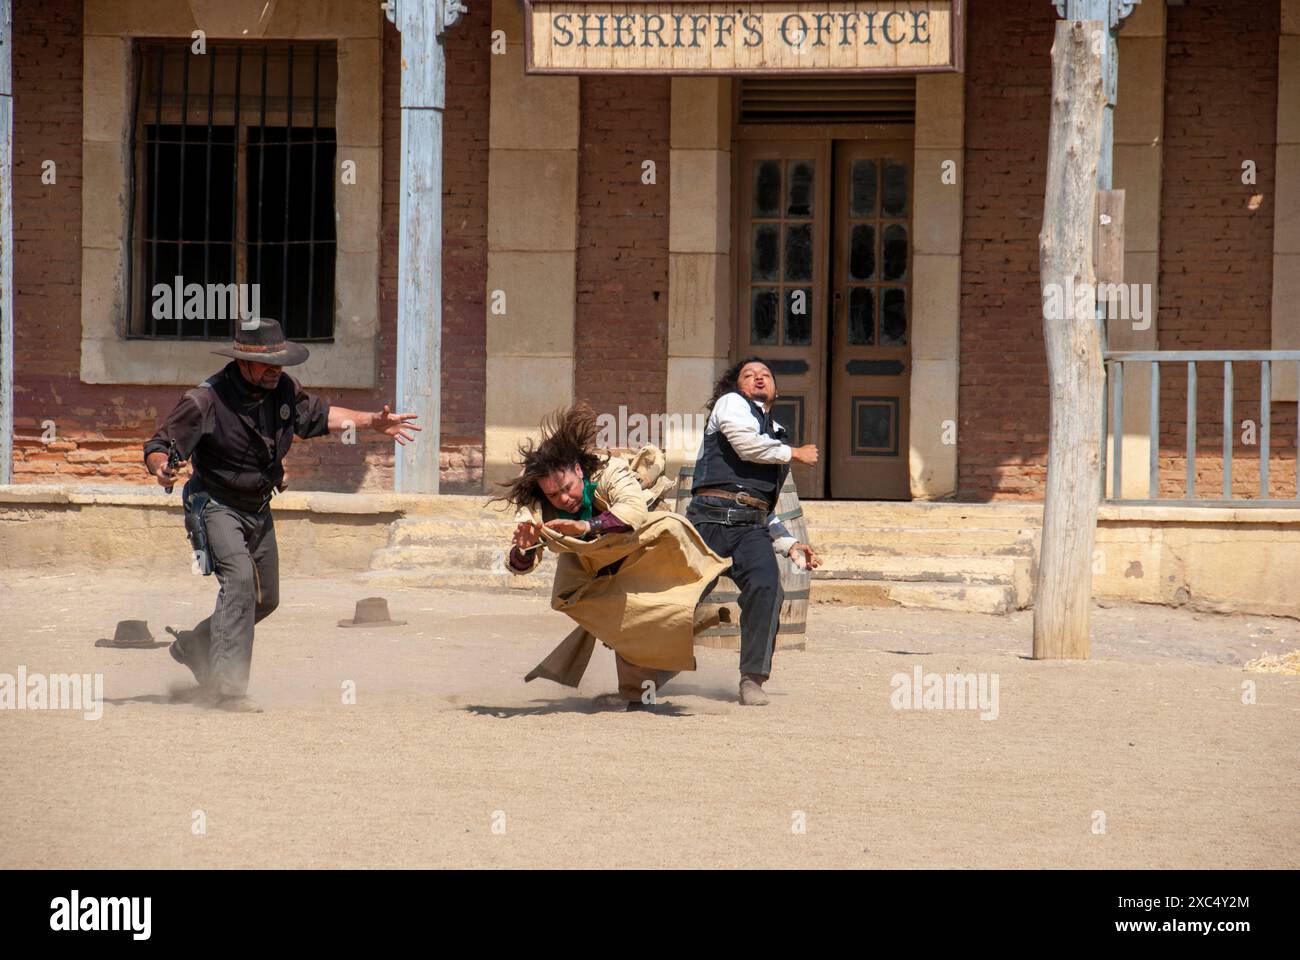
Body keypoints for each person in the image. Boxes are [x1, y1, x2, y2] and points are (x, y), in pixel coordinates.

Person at [143, 318, 420, 711]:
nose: (277, 370)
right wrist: (161, 467)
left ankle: (195, 645)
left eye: (280, 362)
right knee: (238, 582)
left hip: (258, 505)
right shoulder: (205, 400)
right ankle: (226, 690)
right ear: (243, 363)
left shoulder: (283, 389)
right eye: (268, 364)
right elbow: (159, 445)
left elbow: (321, 416)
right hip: (215, 504)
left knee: (264, 598)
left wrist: (371, 422)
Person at [493, 403, 729, 711]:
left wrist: (586, 525)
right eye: (554, 495)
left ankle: (646, 688)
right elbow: (522, 562)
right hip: (590, 566)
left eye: (567, 488)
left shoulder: (610, 471)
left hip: (641, 549)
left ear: (578, 470)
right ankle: (643, 687)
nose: (564, 499)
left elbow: (633, 510)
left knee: (647, 612)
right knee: (618, 622)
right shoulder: (540, 506)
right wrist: (522, 550)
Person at [686, 357, 822, 706]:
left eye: (766, 375)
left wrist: (789, 544)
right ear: (738, 384)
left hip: (751, 527)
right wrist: (795, 453)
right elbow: (746, 446)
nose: (759, 378)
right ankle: (648, 667)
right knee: (685, 597)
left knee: (766, 587)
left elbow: (763, 504)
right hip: (709, 521)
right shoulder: (730, 404)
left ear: (775, 388)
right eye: (749, 374)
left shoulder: (775, 432)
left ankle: (752, 678)